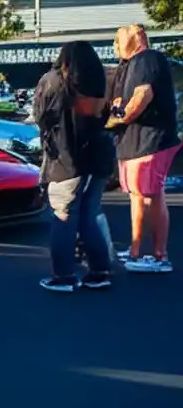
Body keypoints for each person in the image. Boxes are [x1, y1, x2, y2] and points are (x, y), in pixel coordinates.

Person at [34, 41, 114, 292]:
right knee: (88, 215)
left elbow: (40, 116)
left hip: (67, 159)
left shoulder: (54, 81)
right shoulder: (101, 81)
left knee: (63, 216)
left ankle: (64, 276)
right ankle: (99, 271)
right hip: (98, 156)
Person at [107, 24, 179, 273]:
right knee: (139, 195)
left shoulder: (147, 59)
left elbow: (142, 94)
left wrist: (122, 117)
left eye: (118, 40)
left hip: (150, 140)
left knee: (150, 195)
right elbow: (119, 99)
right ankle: (137, 250)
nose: (115, 46)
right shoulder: (128, 65)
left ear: (133, 40)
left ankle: (159, 256)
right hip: (133, 142)